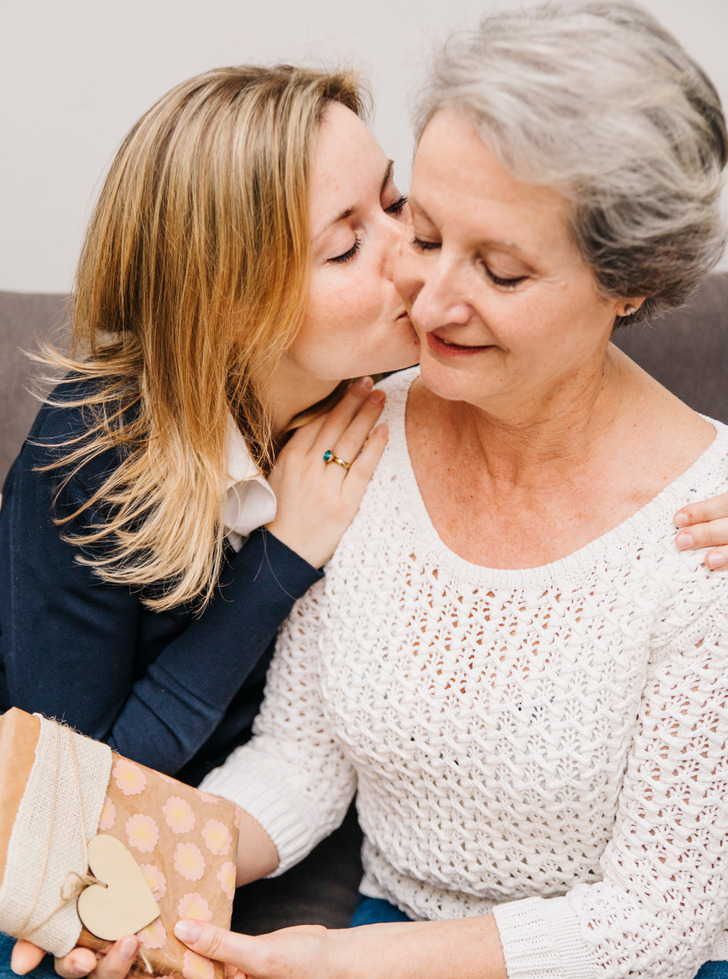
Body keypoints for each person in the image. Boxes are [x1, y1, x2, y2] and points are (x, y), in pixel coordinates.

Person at [8, 16, 728, 979]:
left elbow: (655, 922)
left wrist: (360, 961)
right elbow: (298, 760)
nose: (424, 294)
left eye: (499, 269)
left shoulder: (704, 529)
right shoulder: (360, 430)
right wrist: (125, 888)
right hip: (373, 918)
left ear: (632, 281)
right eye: (424, 232)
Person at [0, 63, 418, 975]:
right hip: (64, 823)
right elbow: (76, 797)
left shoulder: (403, 395)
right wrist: (281, 559)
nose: (412, 253)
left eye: (396, 202)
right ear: (232, 307)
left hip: (255, 823)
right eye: (347, 246)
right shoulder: (93, 452)